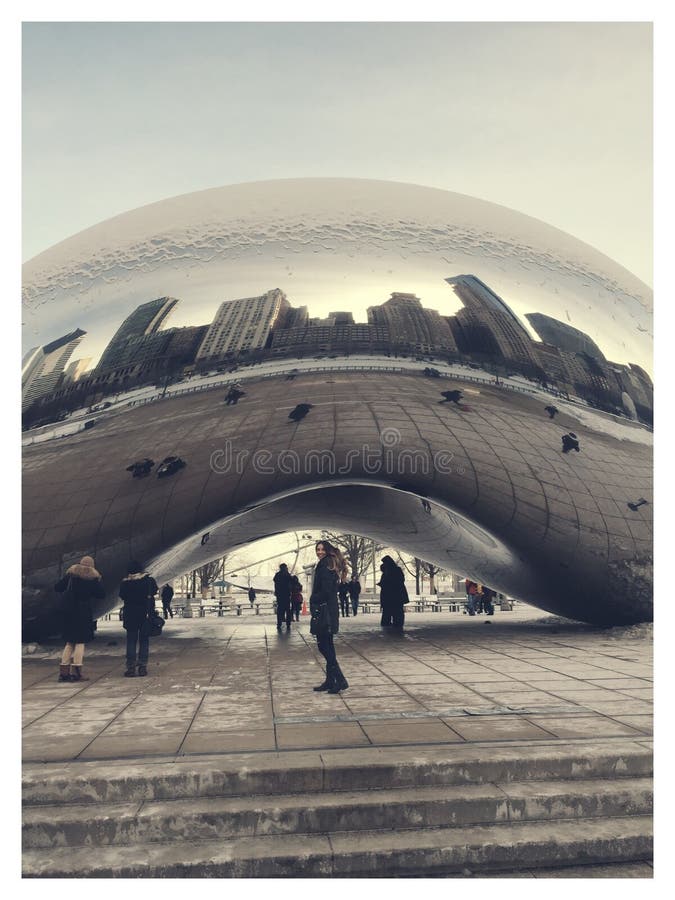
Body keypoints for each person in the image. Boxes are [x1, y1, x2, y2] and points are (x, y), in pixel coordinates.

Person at [54, 555, 105, 682]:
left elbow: (58, 587)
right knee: (80, 642)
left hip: (69, 612)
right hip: (83, 612)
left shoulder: (71, 575)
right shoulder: (92, 579)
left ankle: (64, 673)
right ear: (92, 566)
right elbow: (101, 595)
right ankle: (77, 672)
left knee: (69, 642)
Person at [310, 541, 349, 694]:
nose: (319, 552)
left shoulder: (325, 566)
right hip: (329, 610)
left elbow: (326, 592)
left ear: (327, 551)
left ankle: (340, 680)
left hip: (325, 611)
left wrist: (313, 598)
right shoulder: (328, 564)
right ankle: (331, 680)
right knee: (328, 645)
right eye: (317, 549)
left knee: (323, 646)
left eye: (321, 549)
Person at [119, 561, 158, 677]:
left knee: (131, 641)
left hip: (130, 615)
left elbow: (122, 596)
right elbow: (155, 591)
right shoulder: (149, 581)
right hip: (145, 614)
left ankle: (130, 667)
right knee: (144, 640)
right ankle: (142, 667)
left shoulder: (125, 583)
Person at [378, 555, 408, 630]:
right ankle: (397, 624)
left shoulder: (389, 571)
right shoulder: (395, 570)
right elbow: (401, 580)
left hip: (391, 595)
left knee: (389, 612)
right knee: (397, 612)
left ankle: (392, 625)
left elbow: (396, 581)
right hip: (396, 595)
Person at [273, 563, 293, 632]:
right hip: (286, 595)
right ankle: (288, 623)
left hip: (280, 595)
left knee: (280, 610)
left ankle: (279, 624)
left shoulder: (277, 575)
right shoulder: (287, 575)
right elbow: (291, 581)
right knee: (287, 610)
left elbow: (275, 582)